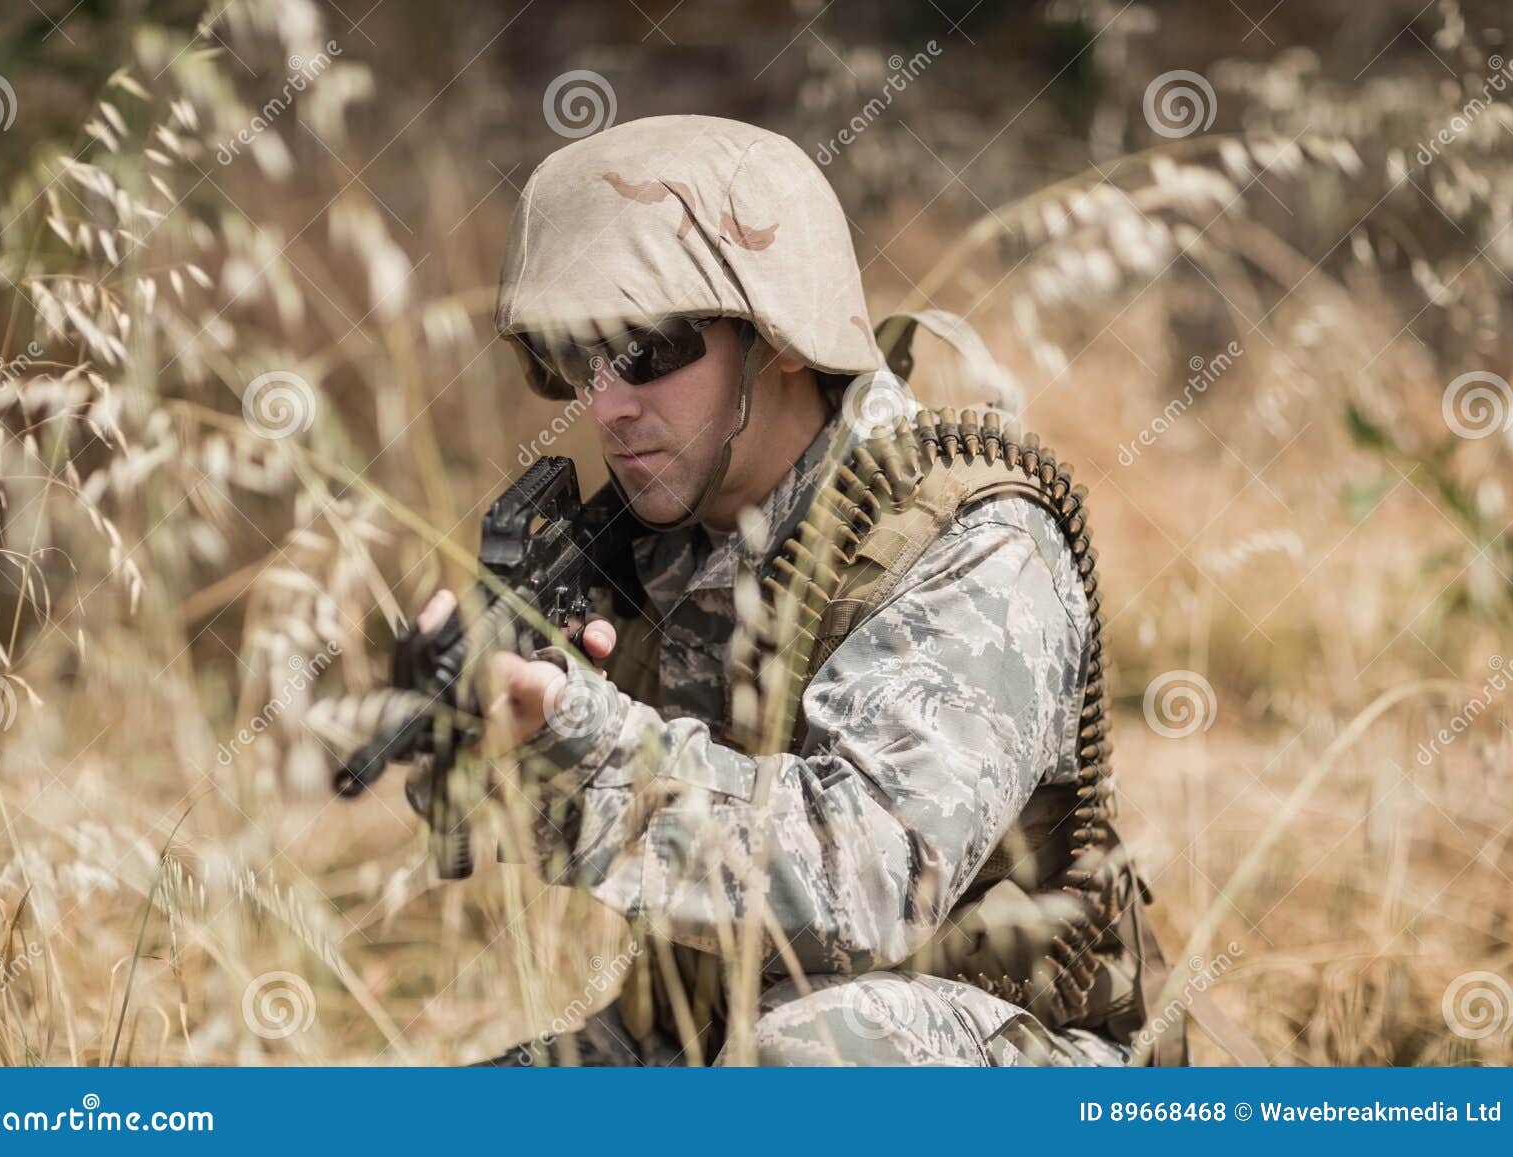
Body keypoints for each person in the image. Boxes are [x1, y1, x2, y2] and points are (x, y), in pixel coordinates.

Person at [430, 114, 1183, 1066]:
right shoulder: (652, 540)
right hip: (718, 1028)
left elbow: (869, 880)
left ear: (777, 335)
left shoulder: (968, 538)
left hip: (1000, 1056)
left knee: (819, 1054)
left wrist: (584, 738)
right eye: (578, 356)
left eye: (647, 347)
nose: (607, 402)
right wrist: (488, 739)